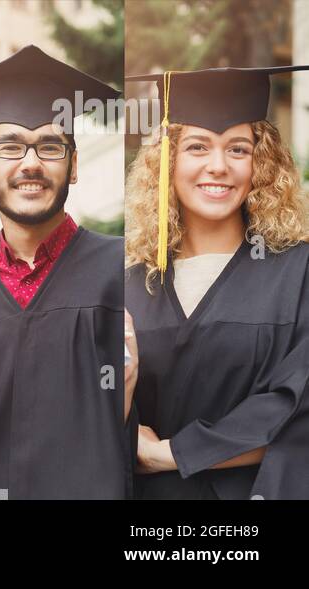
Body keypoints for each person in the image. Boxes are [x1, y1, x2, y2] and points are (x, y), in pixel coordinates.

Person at [0, 45, 130, 498]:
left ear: (74, 164)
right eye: (8, 146)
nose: (30, 163)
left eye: (49, 145)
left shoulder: (124, 273)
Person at [124, 65, 309, 499]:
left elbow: (298, 404)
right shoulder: (130, 284)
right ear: (167, 161)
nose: (218, 166)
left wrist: (167, 453)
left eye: (239, 149)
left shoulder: (298, 272)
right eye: (197, 146)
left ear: (261, 164)